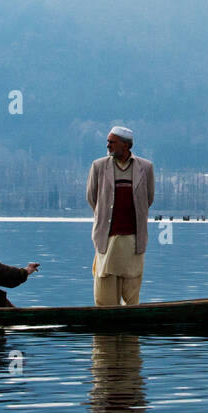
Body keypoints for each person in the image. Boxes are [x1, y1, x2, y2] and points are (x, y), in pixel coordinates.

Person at [87, 125, 156, 307]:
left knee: (132, 289)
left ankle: (129, 324)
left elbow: (148, 199)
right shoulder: (99, 166)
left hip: (133, 239)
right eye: (108, 141)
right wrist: (106, 215)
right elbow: (92, 198)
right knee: (105, 289)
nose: (108, 145)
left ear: (125, 146)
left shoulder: (145, 167)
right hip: (107, 238)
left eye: (112, 142)